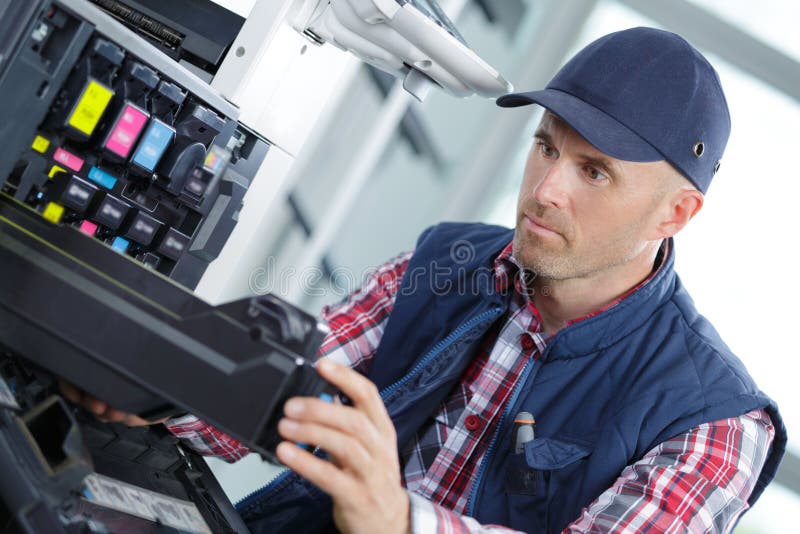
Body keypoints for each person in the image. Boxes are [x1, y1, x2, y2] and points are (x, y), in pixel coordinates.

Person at [66, 27, 786, 533]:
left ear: (676, 212)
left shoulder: (715, 423)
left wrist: (396, 522)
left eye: (594, 170)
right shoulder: (447, 265)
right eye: (545, 147)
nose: (545, 190)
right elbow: (290, 381)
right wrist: (152, 388)